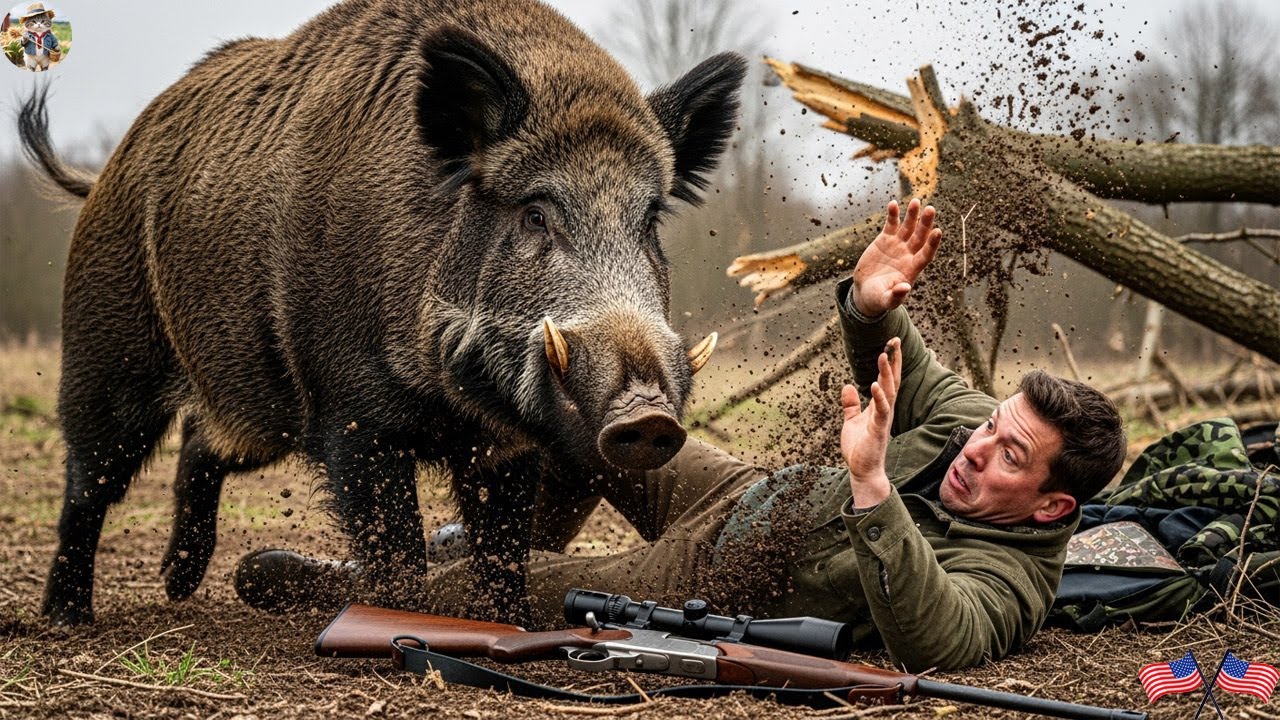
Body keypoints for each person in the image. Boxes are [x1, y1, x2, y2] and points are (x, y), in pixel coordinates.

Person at [236, 198, 1127, 671]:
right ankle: (488, 538)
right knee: (606, 427)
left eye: (1009, 454)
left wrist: (873, 488)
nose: (977, 447)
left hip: (724, 579)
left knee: (508, 587)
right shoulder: (972, 424)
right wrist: (866, 301)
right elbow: (906, 360)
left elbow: (943, 639)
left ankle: (369, 582)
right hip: (745, 493)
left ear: (1053, 506)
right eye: (995, 426)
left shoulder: (1013, 582)